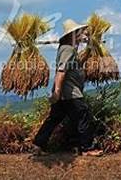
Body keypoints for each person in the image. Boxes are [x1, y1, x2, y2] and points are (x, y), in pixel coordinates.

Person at [33, 19, 103, 157]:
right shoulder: (68, 49)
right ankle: (87, 148)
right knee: (84, 115)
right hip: (70, 93)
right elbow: (61, 70)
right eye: (80, 33)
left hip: (65, 93)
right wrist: (57, 92)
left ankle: (38, 145)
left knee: (54, 118)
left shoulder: (69, 49)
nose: (82, 35)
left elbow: (75, 64)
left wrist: (89, 46)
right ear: (73, 35)